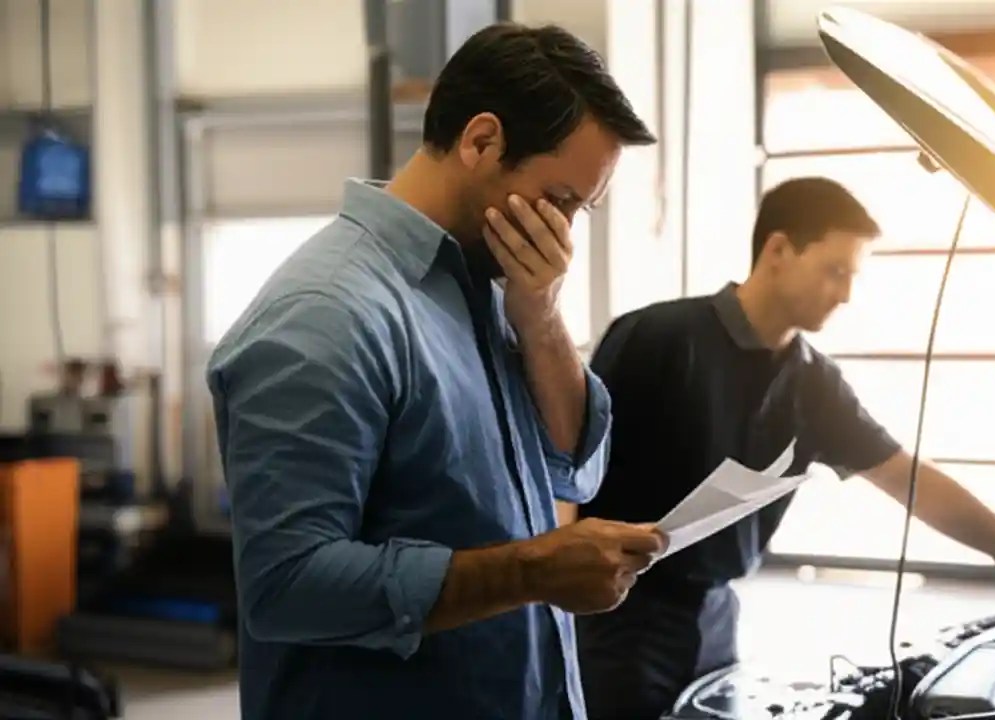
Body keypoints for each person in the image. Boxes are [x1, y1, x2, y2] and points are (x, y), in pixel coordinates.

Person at [207, 23, 666, 720]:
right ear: (481, 142)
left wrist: (540, 318)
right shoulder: (326, 313)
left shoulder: (493, 282)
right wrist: (534, 569)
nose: (567, 231)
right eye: (563, 198)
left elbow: (576, 470)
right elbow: (286, 586)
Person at [567, 176, 995, 719]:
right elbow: (565, 468)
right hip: (618, 612)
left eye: (852, 276)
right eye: (834, 271)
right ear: (777, 251)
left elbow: (915, 485)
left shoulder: (814, 382)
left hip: (717, 614)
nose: (846, 294)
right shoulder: (657, 337)